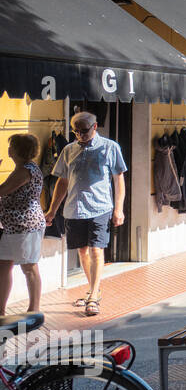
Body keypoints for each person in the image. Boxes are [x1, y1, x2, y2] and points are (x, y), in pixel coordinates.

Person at [44, 112, 126, 316]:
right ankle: (94, 290)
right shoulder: (68, 149)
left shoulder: (110, 147)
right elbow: (62, 182)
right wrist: (52, 210)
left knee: (96, 250)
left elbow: (119, 180)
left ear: (95, 126)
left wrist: (119, 209)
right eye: (76, 131)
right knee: (82, 251)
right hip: (74, 209)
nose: (80, 134)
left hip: (100, 207)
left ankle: (93, 297)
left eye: (84, 130)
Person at [0, 134, 45, 314]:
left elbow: (3, 191)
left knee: (29, 267)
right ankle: (0, 311)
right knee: (3, 265)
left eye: (11, 146)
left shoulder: (25, 170)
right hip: (12, 227)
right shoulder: (23, 168)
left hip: (25, 226)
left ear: (17, 150)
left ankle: (34, 310)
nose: (8, 149)